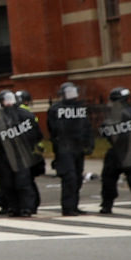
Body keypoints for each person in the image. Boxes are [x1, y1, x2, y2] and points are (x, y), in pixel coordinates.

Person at [0, 90, 41, 217]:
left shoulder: (24, 115)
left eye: (10, 99)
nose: (8, 103)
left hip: (22, 154)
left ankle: (26, 208)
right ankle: (13, 207)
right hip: (6, 156)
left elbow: (35, 133)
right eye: (5, 100)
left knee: (23, 182)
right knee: (8, 183)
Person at [46, 82, 92, 216]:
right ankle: (67, 207)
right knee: (69, 177)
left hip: (78, 147)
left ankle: (74, 205)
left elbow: (87, 127)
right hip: (64, 148)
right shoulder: (55, 109)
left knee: (77, 177)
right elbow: (52, 129)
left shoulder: (81, 108)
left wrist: (89, 144)